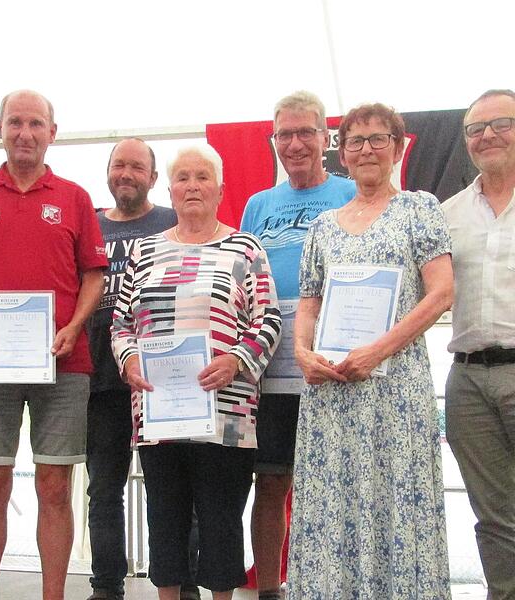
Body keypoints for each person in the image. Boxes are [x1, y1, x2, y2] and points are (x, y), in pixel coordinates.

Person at [0, 89, 107, 600]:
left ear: (52, 133)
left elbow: (94, 276)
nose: (25, 133)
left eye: (36, 124)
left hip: (65, 360)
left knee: (55, 489)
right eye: (15, 123)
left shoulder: (75, 197)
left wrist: (75, 326)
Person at [288, 104, 453, 598]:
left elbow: (441, 293)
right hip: (332, 392)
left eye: (378, 139)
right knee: (332, 505)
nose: (366, 150)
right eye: (355, 141)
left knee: (396, 500)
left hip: (394, 392)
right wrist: (300, 352)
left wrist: (378, 351)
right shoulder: (321, 227)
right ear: (342, 152)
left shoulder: (420, 209)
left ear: (398, 148)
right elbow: (308, 306)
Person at [111, 144, 281, 600]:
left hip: (226, 416)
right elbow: (122, 323)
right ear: (169, 189)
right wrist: (127, 359)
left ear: (220, 189)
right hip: (158, 415)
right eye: (183, 177)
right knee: (164, 520)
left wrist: (236, 360)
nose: (192, 186)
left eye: (202, 177)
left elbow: (269, 318)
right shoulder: (144, 252)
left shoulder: (245, 248)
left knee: (221, 521)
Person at [239, 91, 355, 600]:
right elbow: (239, 278)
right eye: (284, 134)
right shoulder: (257, 206)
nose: (294, 143)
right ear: (274, 141)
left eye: (305, 131)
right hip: (269, 367)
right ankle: (269, 590)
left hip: (334, 363)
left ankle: (333, 585)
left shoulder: (351, 193)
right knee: (270, 482)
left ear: (326, 138)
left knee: (335, 485)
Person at [86, 138, 203, 600]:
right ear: (108, 173)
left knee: (173, 492)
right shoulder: (90, 226)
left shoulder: (171, 222)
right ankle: (106, 586)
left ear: (154, 179)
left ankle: (181, 582)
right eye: (119, 165)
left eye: (137, 167)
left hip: (165, 380)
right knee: (104, 490)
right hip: (102, 379)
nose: (126, 174)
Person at [442, 89, 515, 599]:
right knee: (492, 512)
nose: (487, 135)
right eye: (475, 129)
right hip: (466, 379)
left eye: (501, 124)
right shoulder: (446, 213)